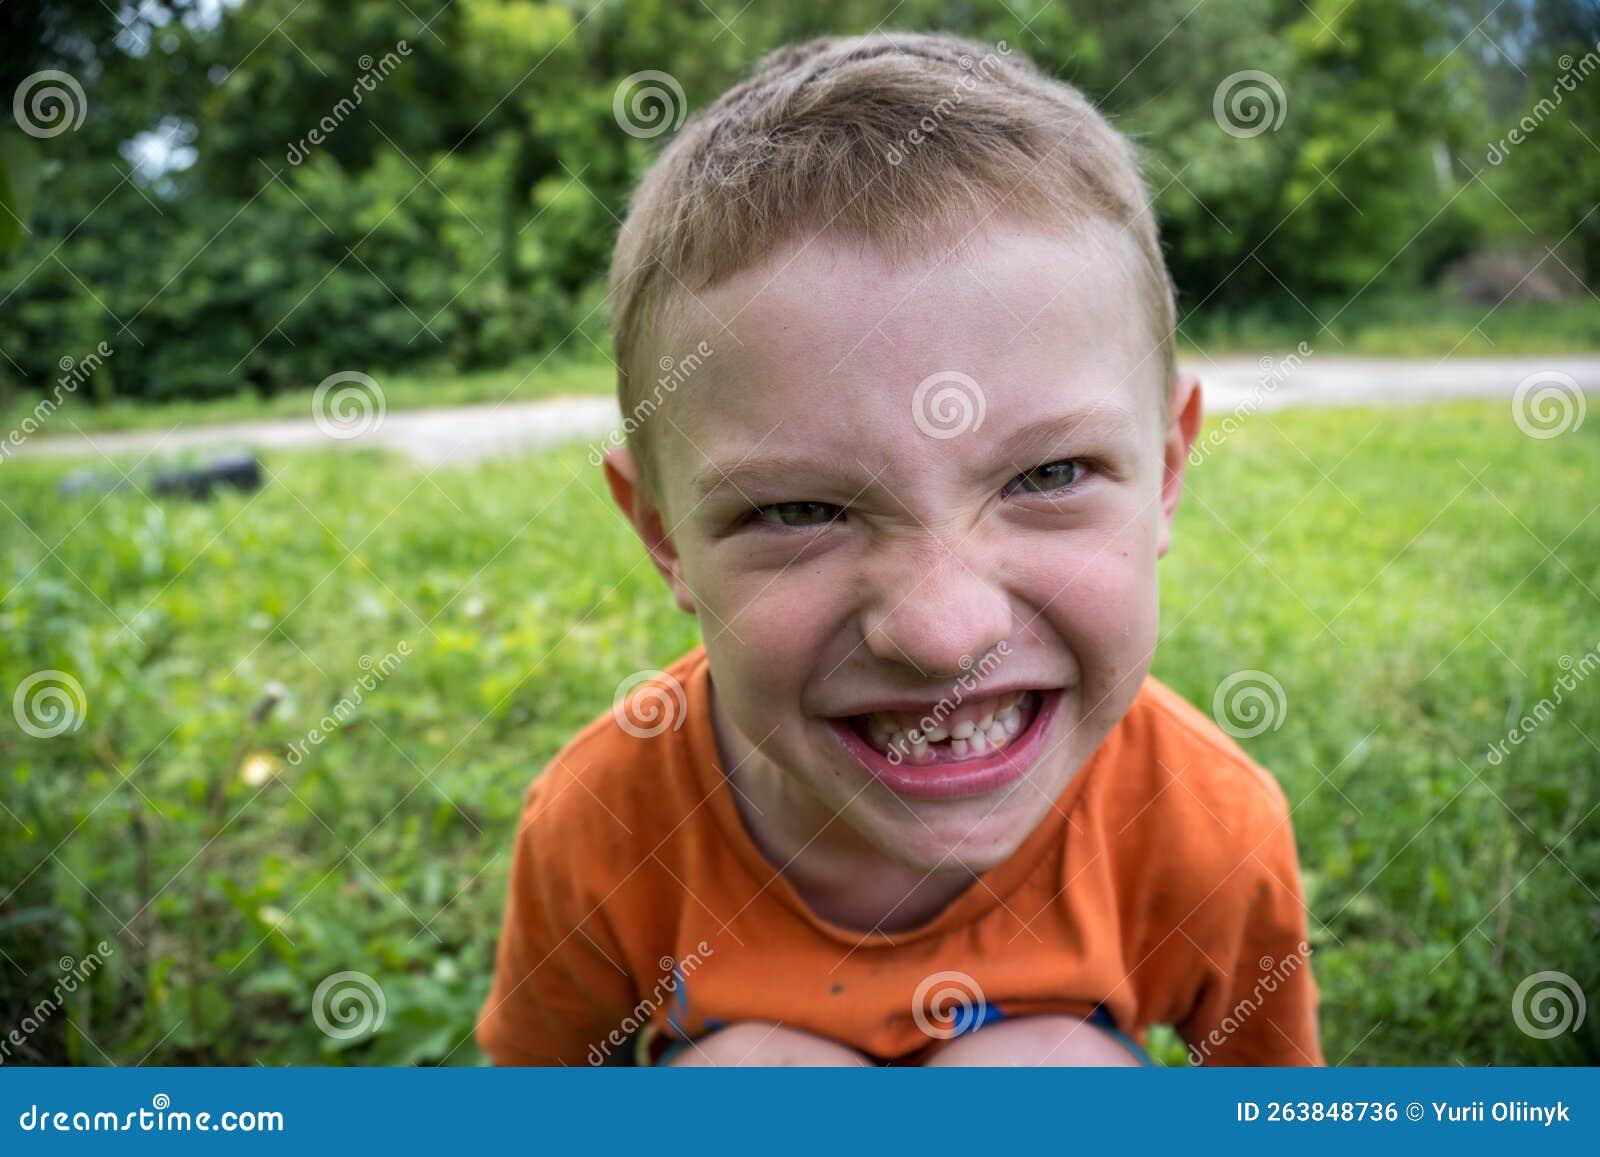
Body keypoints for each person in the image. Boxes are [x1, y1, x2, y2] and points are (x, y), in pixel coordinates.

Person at [477, 31, 1322, 1067]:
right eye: (798, 511)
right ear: (662, 533)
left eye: (1046, 477)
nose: (940, 632)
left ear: (1168, 472)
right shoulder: (603, 819)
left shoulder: (1207, 821)